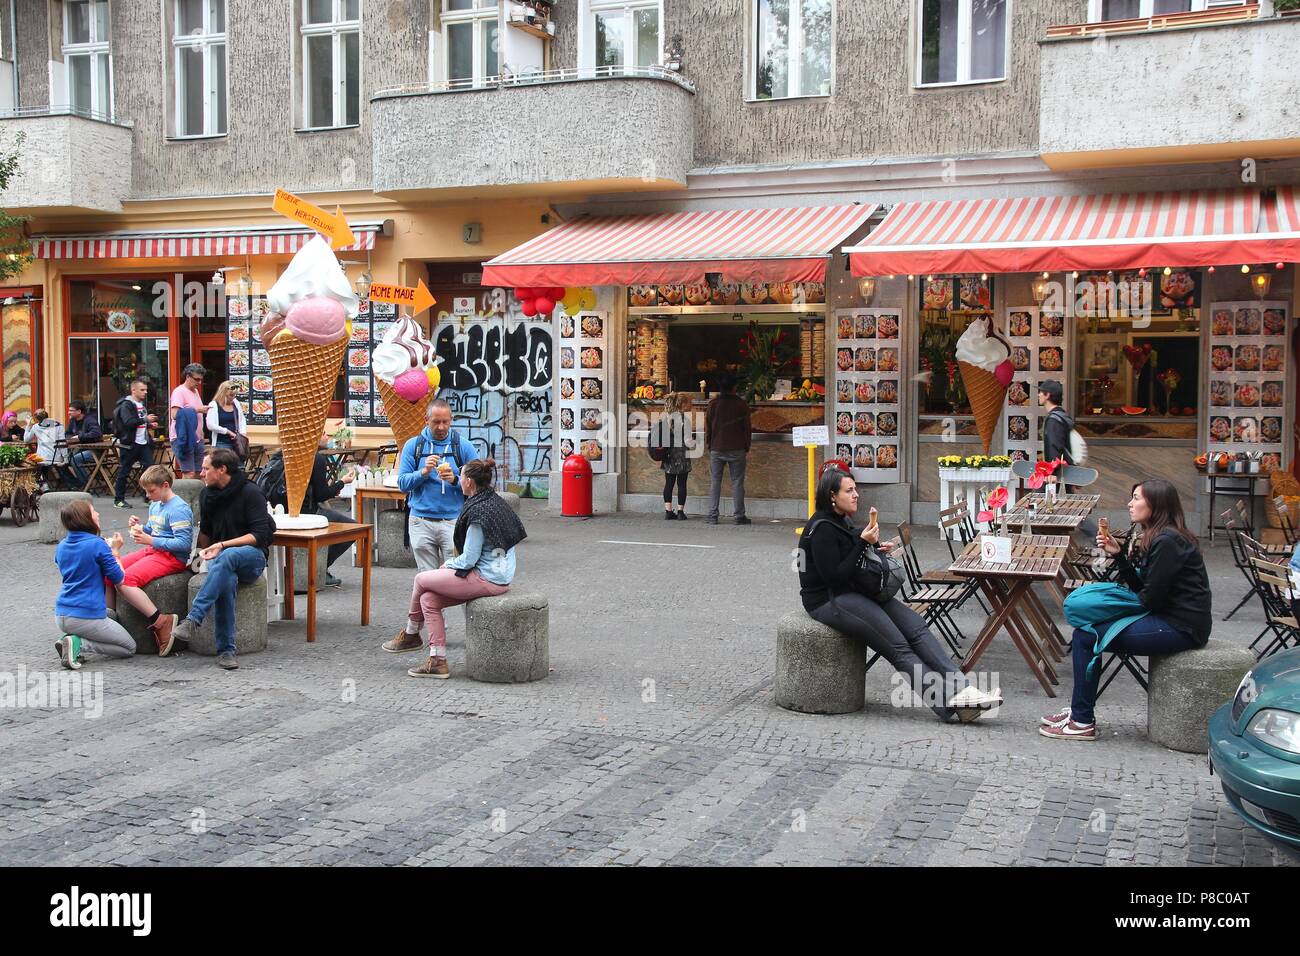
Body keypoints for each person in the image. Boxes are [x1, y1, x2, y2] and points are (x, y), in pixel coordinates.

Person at [798, 469, 1003, 721]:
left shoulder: (842, 520)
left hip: (855, 591)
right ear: (832, 496)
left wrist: (873, 546)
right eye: (849, 490)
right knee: (897, 645)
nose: (856, 495)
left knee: (916, 627)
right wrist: (863, 544)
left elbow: (851, 557)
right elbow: (834, 576)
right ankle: (948, 704)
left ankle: (964, 689)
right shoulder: (821, 529)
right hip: (829, 600)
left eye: (855, 489)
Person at [1041, 478, 1211, 741]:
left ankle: (1081, 720)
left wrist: (1108, 608)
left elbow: (1148, 600)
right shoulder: (1159, 536)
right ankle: (1079, 711)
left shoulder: (1167, 541)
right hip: (1167, 616)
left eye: (1136, 498)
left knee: (1086, 636)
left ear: (1155, 505)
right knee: (1087, 631)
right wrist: (1118, 555)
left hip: (1181, 627)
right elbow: (1143, 588)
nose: (1130, 504)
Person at [388, 458, 526, 677]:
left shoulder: (478, 514)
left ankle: (412, 633)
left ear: (469, 482)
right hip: (498, 574)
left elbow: (469, 559)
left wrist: (447, 564)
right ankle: (438, 661)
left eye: (460, 476)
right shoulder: (493, 501)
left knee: (421, 579)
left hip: (487, 578)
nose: (458, 480)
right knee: (428, 600)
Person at [171, 448, 274, 670]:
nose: (201, 473)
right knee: (225, 580)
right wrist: (197, 557)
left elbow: (259, 535)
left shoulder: (250, 492)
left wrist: (223, 545)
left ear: (222, 469)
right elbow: (206, 530)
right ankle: (226, 651)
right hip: (221, 560)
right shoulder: (207, 494)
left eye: (206, 468)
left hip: (252, 557)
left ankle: (193, 619)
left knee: (228, 556)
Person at [104, 465, 193, 657]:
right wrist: (139, 527)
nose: (148, 495)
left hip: (172, 558)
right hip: (154, 551)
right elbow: (154, 529)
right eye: (146, 491)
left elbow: (184, 544)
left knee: (126, 579)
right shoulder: (156, 505)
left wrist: (150, 540)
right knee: (109, 570)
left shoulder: (179, 509)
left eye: (151, 491)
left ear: (165, 485)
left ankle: (161, 621)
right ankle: (109, 620)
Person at [52, 499, 136, 669]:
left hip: (61, 614)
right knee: (129, 647)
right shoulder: (97, 544)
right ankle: (79, 643)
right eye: (93, 511)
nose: (98, 514)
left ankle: (66, 641)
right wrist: (115, 551)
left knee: (110, 616)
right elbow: (119, 577)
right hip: (84, 615)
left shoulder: (61, 545)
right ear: (85, 519)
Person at [397, 399, 478, 572]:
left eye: (445, 422)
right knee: (427, 577)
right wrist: (424, 472)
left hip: (454, 521)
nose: (441, 427)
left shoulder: (463, 446)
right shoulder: (413, 446)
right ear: (426, 420)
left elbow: (479, 485)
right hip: (420, 521)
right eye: (436, 422)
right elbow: (403, 484)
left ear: (451, 420)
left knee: (455, 576)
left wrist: (456, 480)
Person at [304, 442, 357, 589]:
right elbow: (322, 495)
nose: (327, 436)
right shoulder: (316, 459)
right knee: (353, 528)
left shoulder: (282, 454)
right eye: (324, 432)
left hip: (282, 512)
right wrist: (342, 482)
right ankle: (319, 568)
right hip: (308, 514)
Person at [705, 375, 751, 525]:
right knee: (737, 482)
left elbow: (708, 428)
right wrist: (746, 446)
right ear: (734, 388)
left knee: (715, 482)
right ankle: (739, 516)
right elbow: (747, 428)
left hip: (717, 448)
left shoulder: (713, 404)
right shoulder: (741, 405)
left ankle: (712, 515)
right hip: (737, 448)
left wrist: (710, 445)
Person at [112, 378, 159, 509]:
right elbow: (128, 422)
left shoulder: (141, 405)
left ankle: (148, 497)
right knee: (124, 471)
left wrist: (149, 424)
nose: (145, 393)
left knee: (150, 469)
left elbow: (139, 423)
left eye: (146, 390)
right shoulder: (126, 404)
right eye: (142, 390)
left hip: (143, 443)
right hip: (130, 444)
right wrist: (145, 419)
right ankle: (118, 500)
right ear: (133, 390)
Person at [655, 392, 696, 520]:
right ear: (682, 405)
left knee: (669, 483)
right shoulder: (685, 420)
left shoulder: (666, 418)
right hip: (682, 456)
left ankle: (668, 511)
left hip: (668, 456)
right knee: (682, 484)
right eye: (688, 403)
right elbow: (688, 441)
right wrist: (695, 443)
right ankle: (680, 512)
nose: (690, 405)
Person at [170, 363, 208, 478]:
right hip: (184, 438)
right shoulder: (179, 391)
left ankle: (196, 496)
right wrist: (198, 410)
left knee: (198, 473)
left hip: (197, 439)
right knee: (189, 473)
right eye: (197, 379)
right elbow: (175, 414)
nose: (199, 382)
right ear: (187, 377)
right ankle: (184, 496)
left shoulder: (195, 391)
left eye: (201, 380)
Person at [64, 400, 103, 489]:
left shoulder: (90, 420)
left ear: (79, 411)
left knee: (75, 459)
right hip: (78, 449)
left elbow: (96, 433)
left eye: (71, 410)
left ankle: (85, 484)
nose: (68, 412)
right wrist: (71, 437)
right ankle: (74, 484)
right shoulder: (73, 421)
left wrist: (79, 437)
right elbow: (67, 433)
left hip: (94, 451)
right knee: (60, 461)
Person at [205, 380, 247, 451]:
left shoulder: (236, 403)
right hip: (221, 443)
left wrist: (243, 434)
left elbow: (242, 420)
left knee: (239, 462)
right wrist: (227, 431)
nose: (233, 397)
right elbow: (210, 425)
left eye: (235, 395)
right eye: (231, 395)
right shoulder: (214, 405)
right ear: (223, 393)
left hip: (237, 443)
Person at [23, 409, 67, 475]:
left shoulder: (36, 427)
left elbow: (26, 439)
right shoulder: (58, 426)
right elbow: (62, 443)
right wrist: (65, 457)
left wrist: (28, 425)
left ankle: (45, 483)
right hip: (56, 458)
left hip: (41, 459)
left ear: (36, 419)